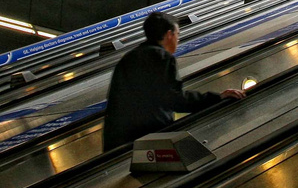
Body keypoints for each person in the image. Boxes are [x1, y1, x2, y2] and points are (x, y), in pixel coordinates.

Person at [101, 13, 245, 150]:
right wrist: (216, 98)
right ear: (169, 34)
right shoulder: (162, 57)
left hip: (116, 142)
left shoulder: (127, 58)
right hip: (147, 140)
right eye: (178, 34)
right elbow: (173, 98)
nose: (178, 39)